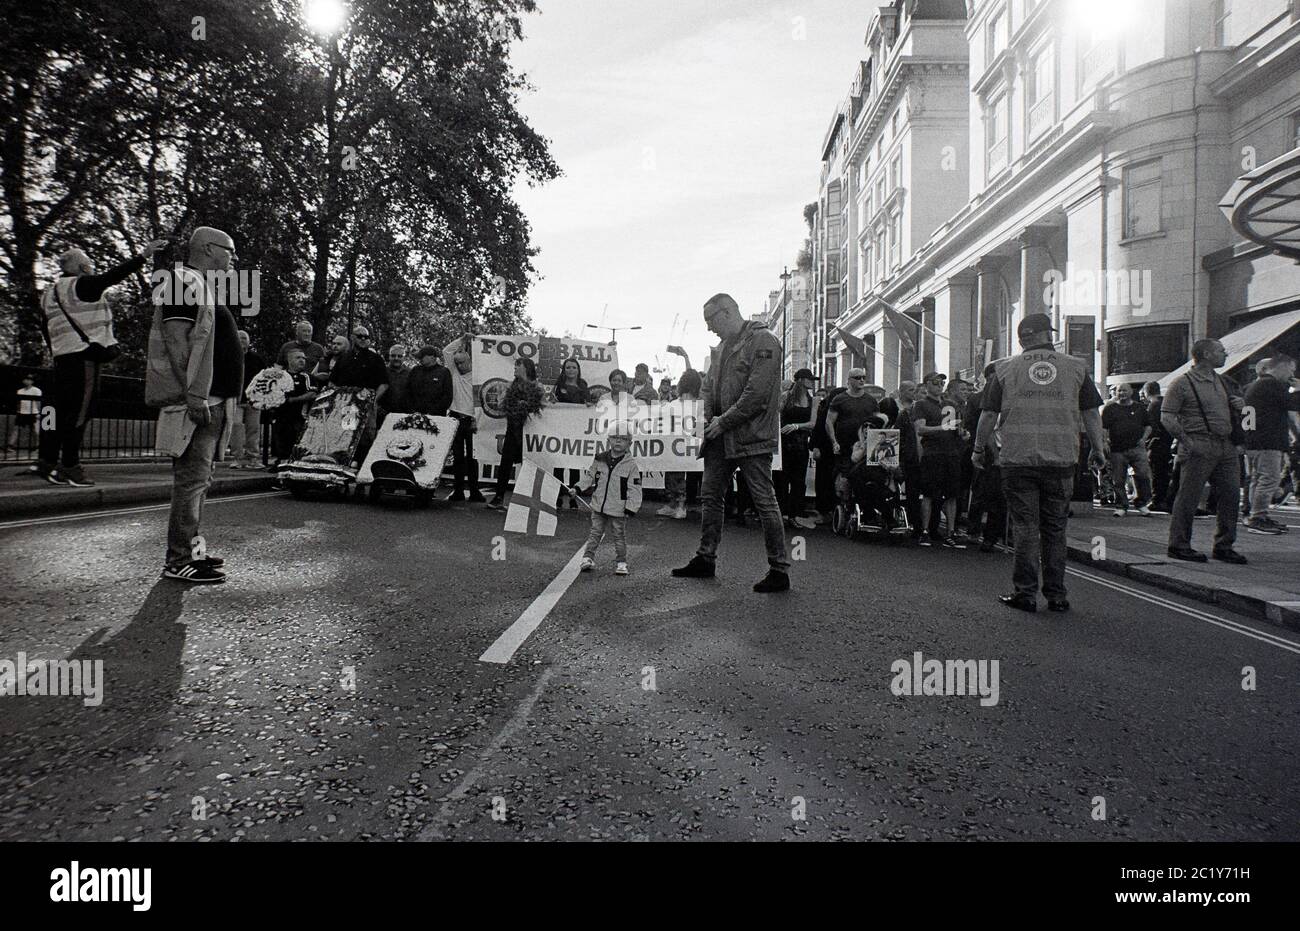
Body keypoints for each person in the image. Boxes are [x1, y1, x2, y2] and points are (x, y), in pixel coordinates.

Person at [973, 313, 1106, 612]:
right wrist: (1098, 449)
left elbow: (988, 416)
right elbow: (1091, 414)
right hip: (1061, 461)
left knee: (1025, 528)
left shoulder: (1004, 369)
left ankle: (1026, 594)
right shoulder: (1076, 367)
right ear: (1047, 335)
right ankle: (1057, 596)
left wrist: (979, 449)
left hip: (1018, 461)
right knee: (1056, 530)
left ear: (1023, 339)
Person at [672, 293, 789, 593]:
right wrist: (708, 419)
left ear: (727, 312)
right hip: (720, 436)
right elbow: (709, 386)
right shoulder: (721, 347)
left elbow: (757, 394)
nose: (709, 328)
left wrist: (721, 421)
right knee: (710, 497)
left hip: (751, 436)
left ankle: (779, 569)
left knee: (764, 501)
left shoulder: (763, 341)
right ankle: (705, 557)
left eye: (711, 320)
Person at [147, 226, 244, 584]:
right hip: (201, 400)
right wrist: (194, 394)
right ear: (207, 248)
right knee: (190, 482)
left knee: (200, 482)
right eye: (229, 250)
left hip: (214, 399)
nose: (233, 258)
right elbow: (176, 339)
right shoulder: (180, 281)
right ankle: (178, 560)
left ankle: (193, 553)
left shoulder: (201, 284)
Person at [38, 237, 170, 485]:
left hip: (62, 359)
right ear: (79, 267)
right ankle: (70, 467)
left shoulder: (49, 293)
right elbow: (112, 277)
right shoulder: (82, 285)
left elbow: (45, 327)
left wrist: (57, 350)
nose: (91, 267)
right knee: (80, 414)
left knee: (58, 412)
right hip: (84, 358)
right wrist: (143, 256)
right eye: (88, 263)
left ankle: (47, 462)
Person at [1162, 338, 1248, 564]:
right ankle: (1179, 545)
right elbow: (1167, 416)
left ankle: (1224, 545)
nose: (1225, 354)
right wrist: (1185, 440)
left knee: (1231, 495)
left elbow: (1237, 409)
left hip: (1226, 445)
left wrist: (1238, 404)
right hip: (1198, 444)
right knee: (1188, 498)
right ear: (1207, 354)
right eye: (1221, 351)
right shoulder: (1182, 383)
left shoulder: (1223, 381)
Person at [1242, 354, 1300, 535]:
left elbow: (1247, 416)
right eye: (1291, 369)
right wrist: (1298, 389)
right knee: (1269, 479)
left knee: (1257, 480)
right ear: (1281, 367)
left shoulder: (1254, 386)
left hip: (1255, 441)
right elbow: (1293, 405)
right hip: (1268, 441)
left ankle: (1255, 513)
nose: (1292, 373)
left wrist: (1247, 438)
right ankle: (1257, 517)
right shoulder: (1272, 384)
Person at [574, 424, 642, 576]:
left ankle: (621, 562)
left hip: (619, 508)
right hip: (598, 506)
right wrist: (578, 488)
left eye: (623, 439)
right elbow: (590, 476)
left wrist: (631, 508)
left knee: (619, 535)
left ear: (629, 443)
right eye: (614, 438)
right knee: (595, 532)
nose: (618, 441)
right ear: (608, 440)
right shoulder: (600, 459)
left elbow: (635, 488)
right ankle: (588, 558)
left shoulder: (631, 465)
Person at [912, 372, 969, 548]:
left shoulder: (950, 405)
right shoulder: (921, 404)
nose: (940, 385)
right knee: (929, 493)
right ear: (927, 384)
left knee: (952, 494)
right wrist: (942, 427)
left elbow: (956, 430)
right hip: (932, 453)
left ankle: (950, 532)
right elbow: (921, 429)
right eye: (936, 382)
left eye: (942, 382)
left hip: (951, 453)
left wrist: (963, 433)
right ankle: (925, 531)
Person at [487, 358, 544, 510]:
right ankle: (499, 497)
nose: (515, 368)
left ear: (526, 368)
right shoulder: (513, 386)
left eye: (518, 365)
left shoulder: (537, 387)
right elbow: (508, 405)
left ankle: (530, 500)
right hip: (513, 430)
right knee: (505, 464)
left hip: (529, 433)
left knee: (529, 465)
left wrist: (525, 406)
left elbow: (540, 408)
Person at [963, 364, 1006, 552]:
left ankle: (991, 536)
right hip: (987, 453)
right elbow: (984, 427)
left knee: (1000, 500)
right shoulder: (980, 398)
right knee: (981, 494)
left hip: (1010, 455)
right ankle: (973, 530)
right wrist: (982, 451)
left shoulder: (1009, 399)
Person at [825, 368, 879, 510]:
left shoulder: (871, 400)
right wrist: (834, 441)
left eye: (863, 377)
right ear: (849, 380)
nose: (861, 380)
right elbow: (829, 422)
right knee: (845, 476)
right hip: (845, 445)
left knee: (865, 477)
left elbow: (878, 422)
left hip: (865, 447)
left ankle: (866, 508)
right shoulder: (840, 399)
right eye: (857, 377)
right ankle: (845, 506)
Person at [1101, 382, 1154, 517]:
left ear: (1131, 392)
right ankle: (1121, 505)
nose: (1121, 393)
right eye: (1119, 391)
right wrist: (1105, 441)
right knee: (1118, 479)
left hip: (1137, 448)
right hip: (1117, 449)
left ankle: (1141, 503)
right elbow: (1104, 428)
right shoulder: (1110, 409)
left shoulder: (1140, 408)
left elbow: (1148, 426)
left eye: (1124, 391)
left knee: (1143, 475)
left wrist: (1143, 439)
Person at [773, 368, 817, 528]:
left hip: (800, 444)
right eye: (809, 379)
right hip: (784, 443)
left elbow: (813, 423)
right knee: (781, 479)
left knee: (799, 481)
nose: (812, 382)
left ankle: (795, 514)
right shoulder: (786, 397)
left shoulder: (814, 400)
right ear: (800, 380)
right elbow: (776, 416)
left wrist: (796, 426)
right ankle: (782, 514)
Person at [443, 336, 485, 503]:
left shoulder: (478, 375)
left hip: (472, 419)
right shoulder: (453, 372)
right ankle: (458, 490)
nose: (459, 366)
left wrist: (477, 418)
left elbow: (481, 400)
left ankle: (475, 491)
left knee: (473, 457)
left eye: (462, 362)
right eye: (457, 363)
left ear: (469, 360)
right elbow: (447, 351)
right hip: (455, 418)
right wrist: (461, 339)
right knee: (458, 457)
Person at [660, 368, 702, 520]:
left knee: (679, 474)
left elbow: (700, 429)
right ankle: (672, 503)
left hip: (688, 445)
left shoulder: (698, 405)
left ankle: (681, 505)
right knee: (671, 471)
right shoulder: (674, 404)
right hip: (674, 443)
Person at [227, 330, 266, 468]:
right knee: (236, 428)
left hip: (254, 400)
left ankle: (253, 458)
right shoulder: (228, 356)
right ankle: (237, 458)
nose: (242, 340)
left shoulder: (257, 359)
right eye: (239, 338)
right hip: (235, 399)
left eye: (244, 338)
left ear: (249, 342)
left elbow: (264, 378)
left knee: (253, 429)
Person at [271, 349, 317, 465]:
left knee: (295, 439)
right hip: (280, 413)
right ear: (289, 360)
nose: (302, 360)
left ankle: (294, 463)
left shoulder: (306, 377)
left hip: (299, 415)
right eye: (298, 358)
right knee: (280, 436)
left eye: (303, 358)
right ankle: (281, 461)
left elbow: (312, 394)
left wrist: (293, 400)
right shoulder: (280, 376)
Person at [893, 380, 923, 538]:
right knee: (900, 489)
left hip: (919, 456)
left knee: (915, 492)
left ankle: (917, 525)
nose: (914, 392)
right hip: (906, 456)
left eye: (915, 389)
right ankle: (901, 520)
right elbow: (896, 435)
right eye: (910, 389)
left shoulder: (918, 408)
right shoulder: (898, 410)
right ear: (902, 391)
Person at [811, 385, 844, 524]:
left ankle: (835, 509)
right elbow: (818, 428)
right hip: (825, 449)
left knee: (836, 480)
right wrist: (815, 447)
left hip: (839, 449)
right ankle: (823, 511)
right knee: (823, 480)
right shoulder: (825, 410)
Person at [1142, 380, 1174, 511]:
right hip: (1169, 441)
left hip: (1157, 444)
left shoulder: (1153, 406)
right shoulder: (1166, 402)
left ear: (1146, 392)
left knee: (1157, 472)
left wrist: (1147, 442)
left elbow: (1151, 426)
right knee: (1165, 473)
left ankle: (1157, 500)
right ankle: (1165, 498)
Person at [405, 346, 452, 416]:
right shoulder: (415, 370)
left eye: (422, 356)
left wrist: (433, 412)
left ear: (432, 357)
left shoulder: (443, 372)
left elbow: (447, 396)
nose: (420, 359)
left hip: (436, 416)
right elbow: (407, 391)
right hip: (415, 415)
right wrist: (412, 410)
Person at [6, 374, 42, 455]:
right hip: (22, 413)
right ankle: (10, 446)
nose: (26, 381)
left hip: (33, 413)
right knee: (16, 429)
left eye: (29, 379)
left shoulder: (37, 390)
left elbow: (38, 402)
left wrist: (39, 413)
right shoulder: (20, 391)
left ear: (32, 381)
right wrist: (18, 411)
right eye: (25, 379)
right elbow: (19, 403)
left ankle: (37, 447)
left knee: (35, 431)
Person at [382, 344, 411, 416]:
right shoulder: (382, 372)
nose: (396, 358)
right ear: (389, 356)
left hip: (405, 415)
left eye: (400, 356)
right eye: (393, 355)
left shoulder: (411, 373)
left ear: (404, 358)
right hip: (384, 415)